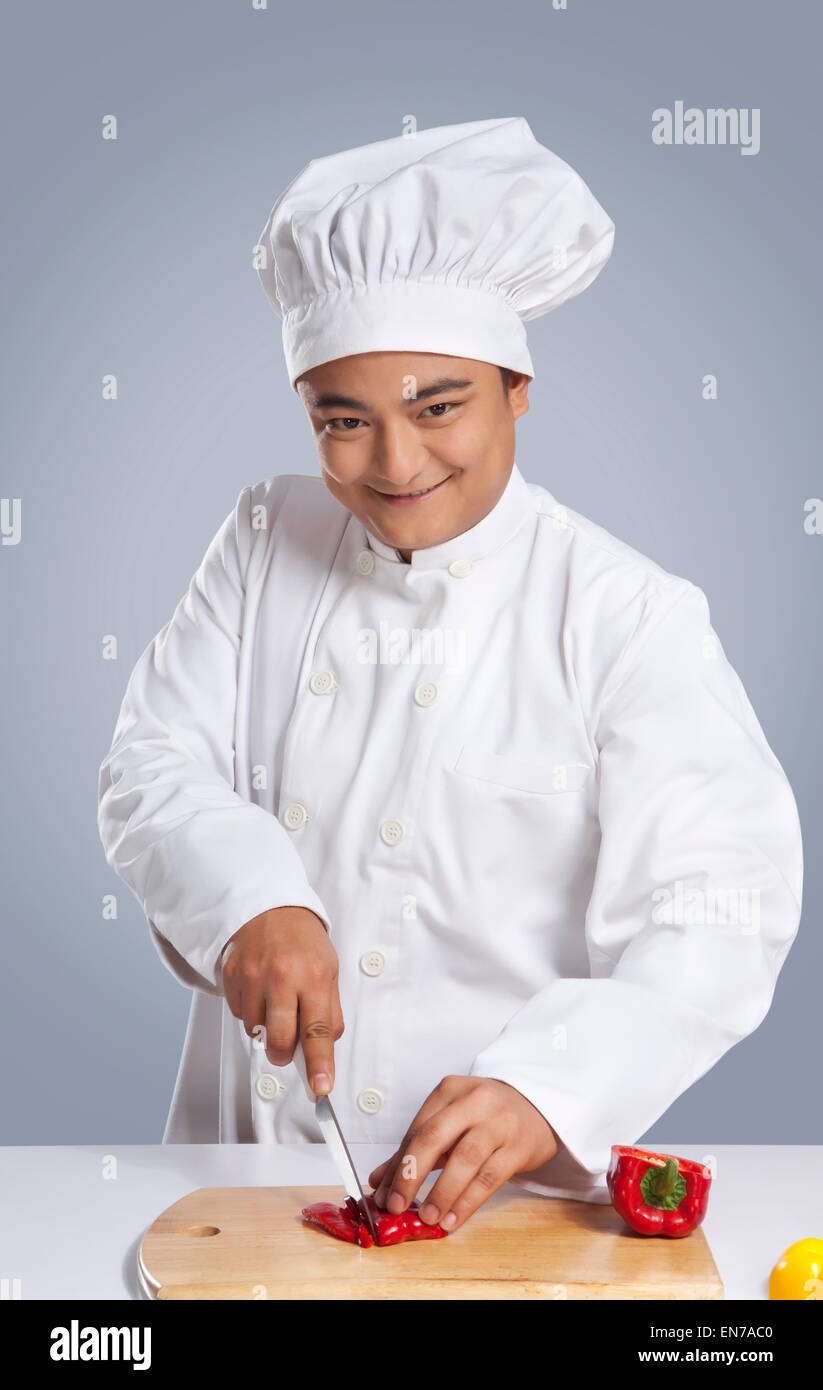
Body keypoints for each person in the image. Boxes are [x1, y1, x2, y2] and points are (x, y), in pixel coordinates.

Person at [97, 117, 803, 1234]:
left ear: (517, 386)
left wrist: (551, 1088)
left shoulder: (626, 615)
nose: (394, 463)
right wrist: (250, 897)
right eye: (344, 421)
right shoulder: (262, 538)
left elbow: (719, 905)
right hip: (235, 1191)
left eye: (437, 408)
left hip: (502, 1205)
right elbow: (150, 763)